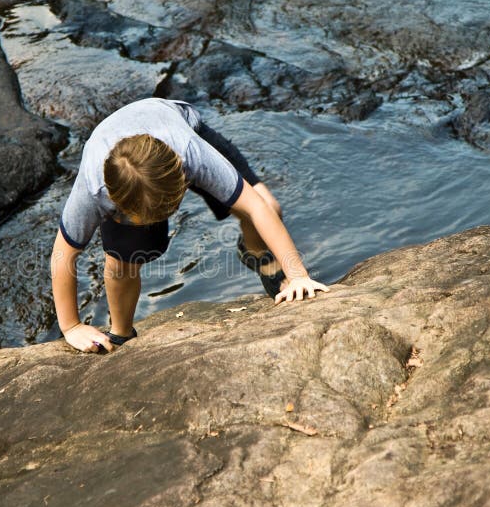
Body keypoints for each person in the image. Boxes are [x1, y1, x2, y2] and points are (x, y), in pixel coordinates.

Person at [50, 98, 329, 353]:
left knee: (270, 206)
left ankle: (255, 251)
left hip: (177, 124)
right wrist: (71, 326)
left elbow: (257, 207)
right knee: (121, 263)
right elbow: (63, 253)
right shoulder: (94, 190)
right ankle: (122, 332)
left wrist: (298, 275)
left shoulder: (192, 154)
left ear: (184, 179)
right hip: (121, 169)